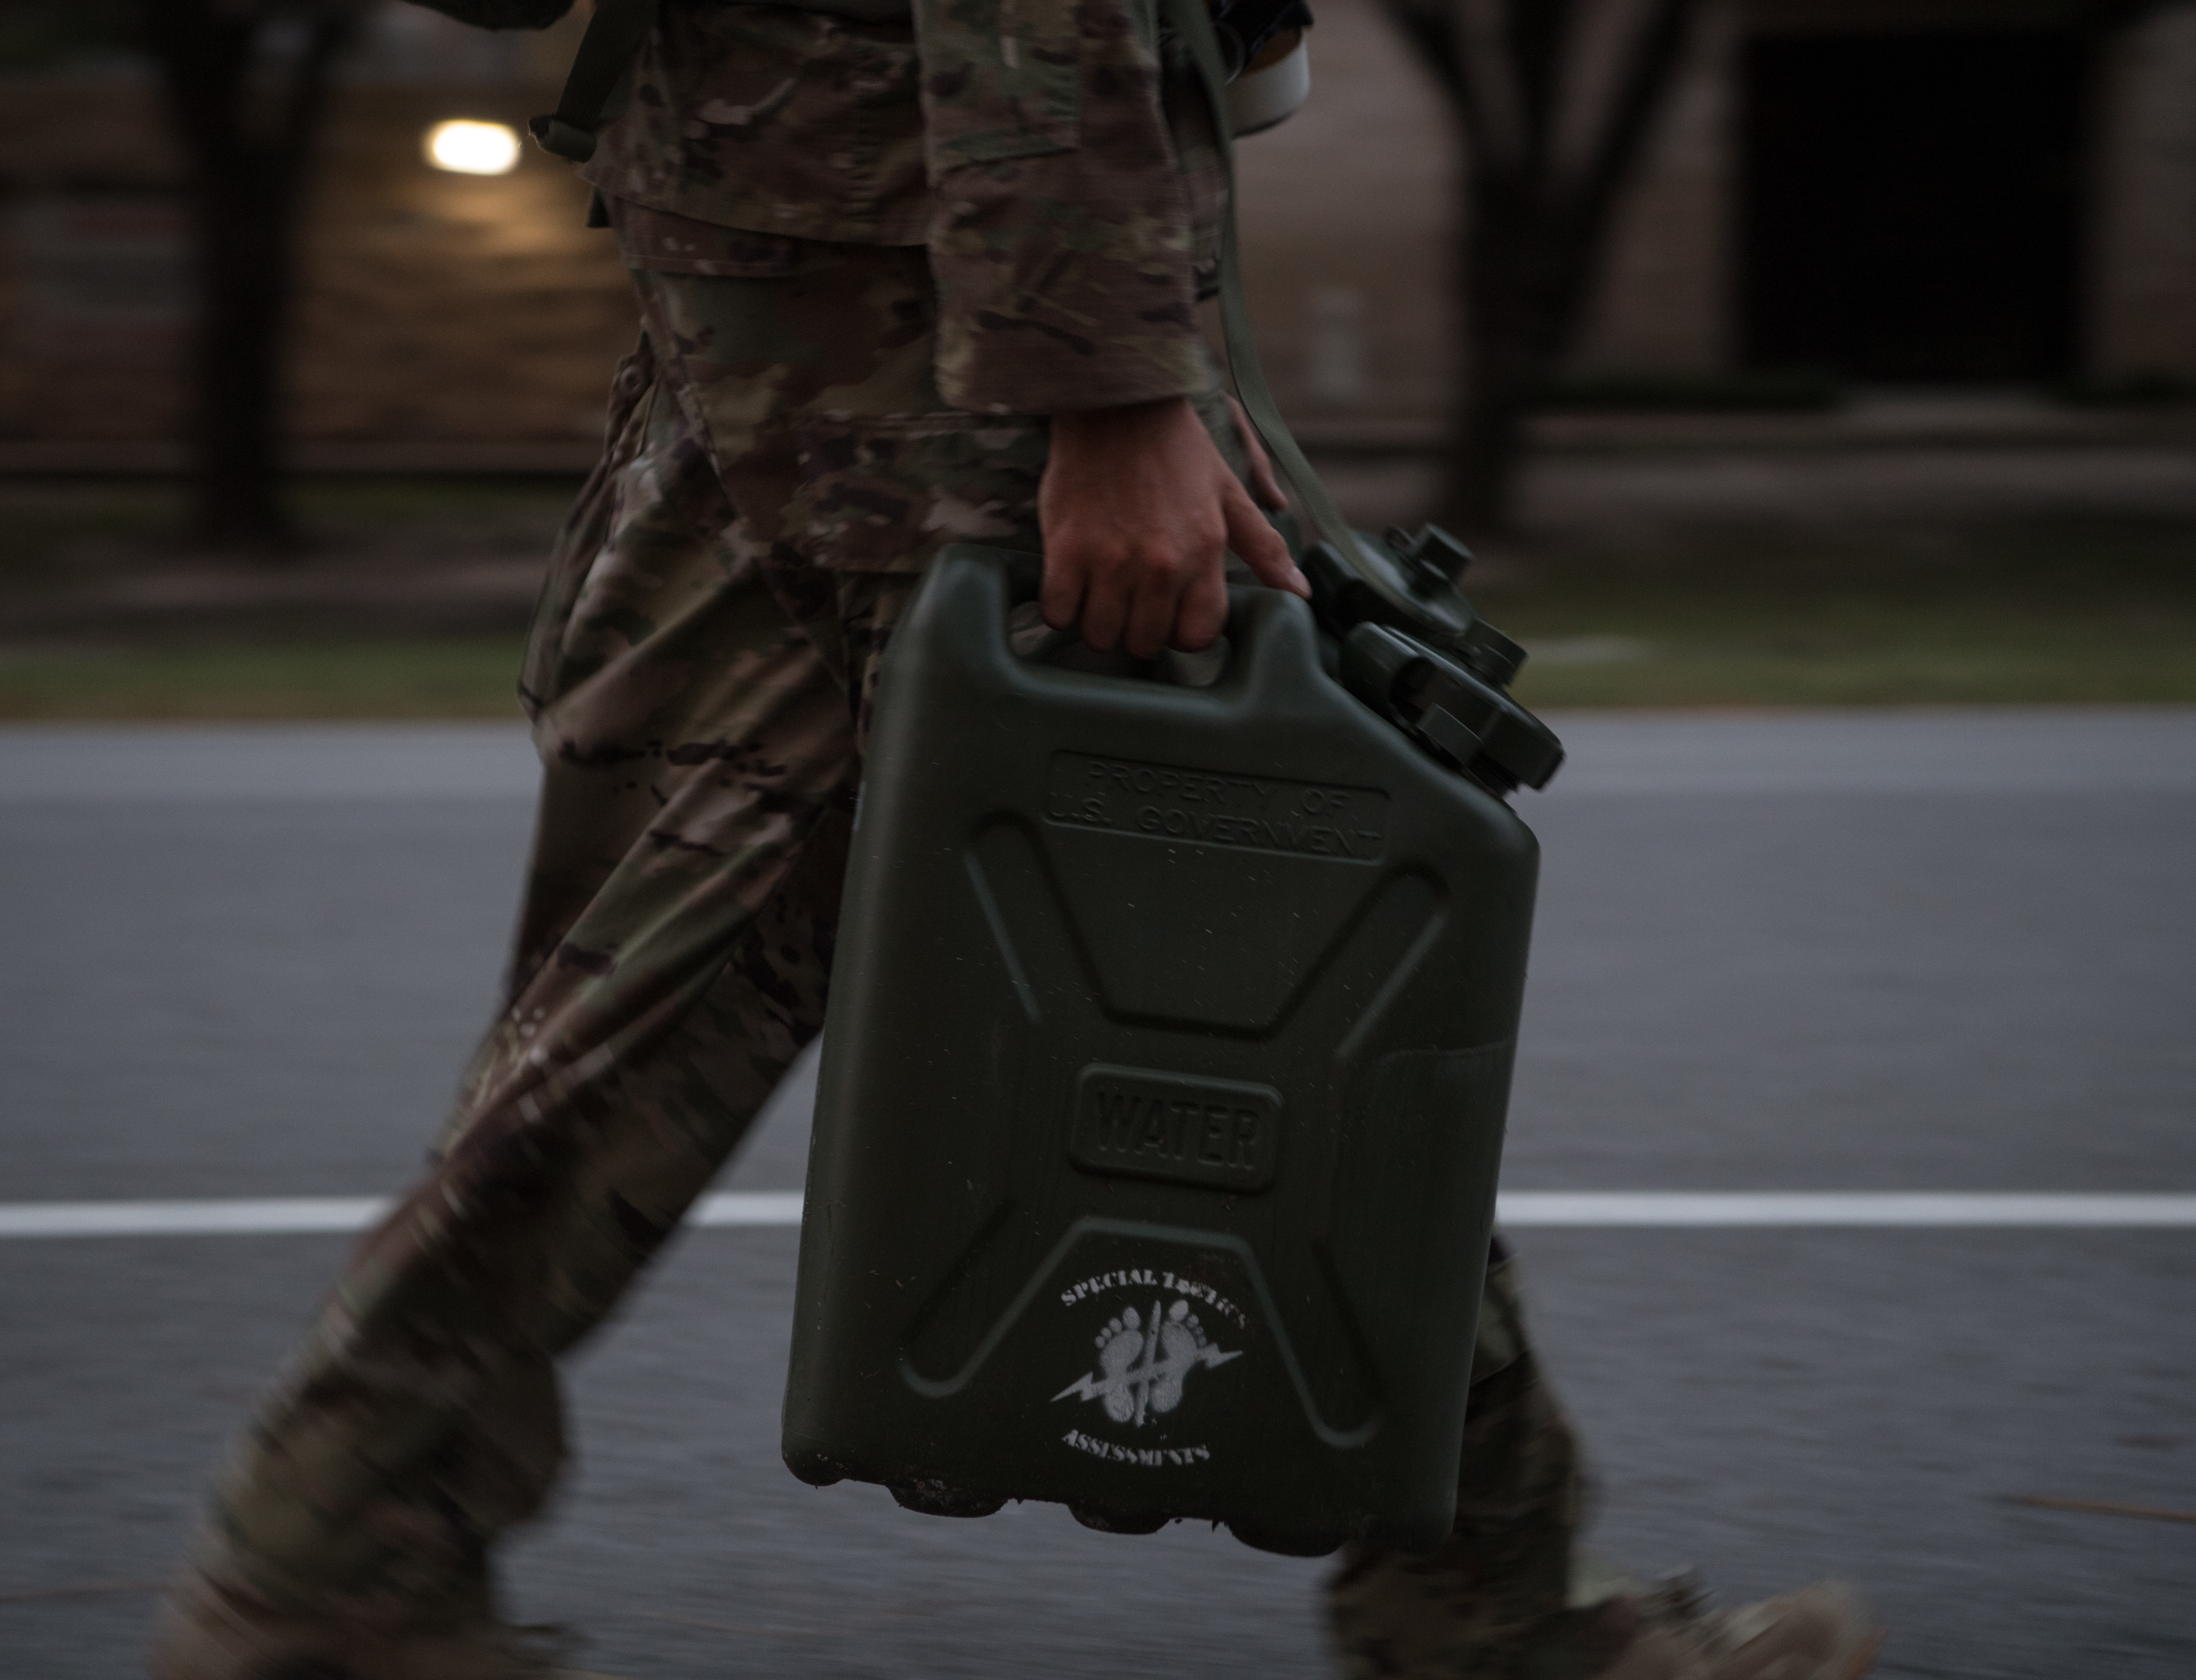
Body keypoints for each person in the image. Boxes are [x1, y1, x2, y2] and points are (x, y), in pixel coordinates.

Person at [148, 1, 1883, 1676]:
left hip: (800, 291)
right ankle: (1498, 1624)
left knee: (651, 1004)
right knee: (1258, 961)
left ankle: (331, 1564)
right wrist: (1111, 392)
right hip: (940, 342)